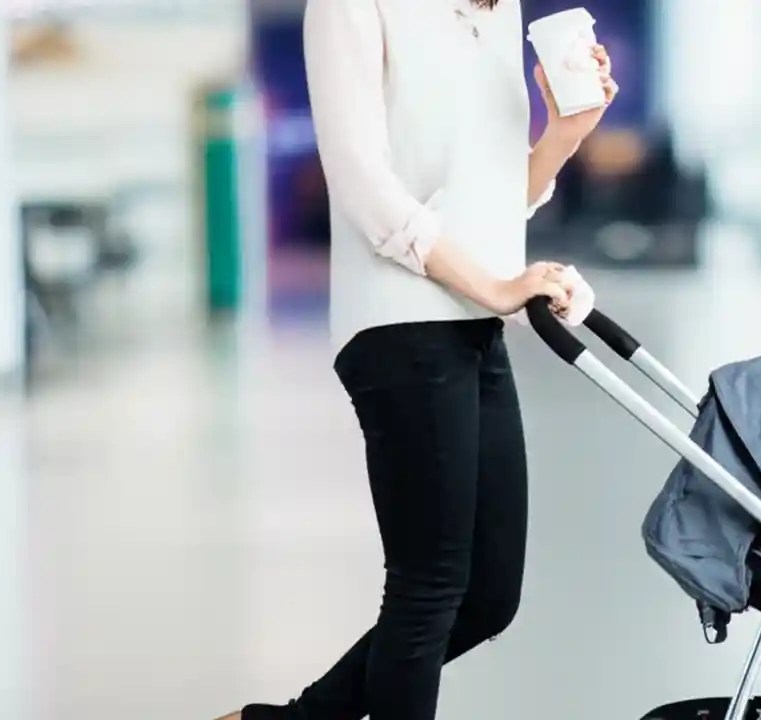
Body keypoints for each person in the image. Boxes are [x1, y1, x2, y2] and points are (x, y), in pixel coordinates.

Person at [216, 0, 616, 718]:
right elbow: (364, 187)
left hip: (472, 319)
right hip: (397, 320)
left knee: (488, 596)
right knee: (428, 586)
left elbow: (493, 199)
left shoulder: (495, 10)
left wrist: (563, 135)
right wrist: (496, 285)